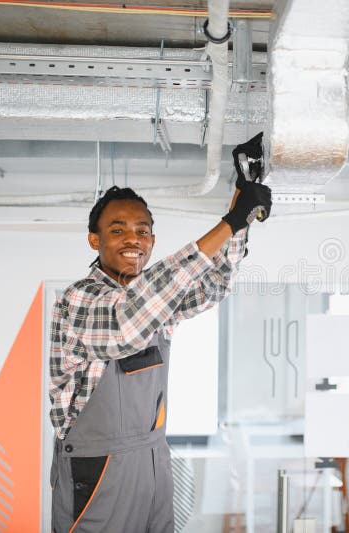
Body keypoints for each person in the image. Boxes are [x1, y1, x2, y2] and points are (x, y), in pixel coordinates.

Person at [49, 157, 271, 532]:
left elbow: (214, 282)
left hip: (152, 462)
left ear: (152, 240)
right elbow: (127, 326)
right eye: (117, 230)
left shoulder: (157, 300)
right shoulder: (79, 300)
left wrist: (243, 198)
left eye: (142, 230)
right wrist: (230, 223)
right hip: (98, 472)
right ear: (95, 240)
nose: (133, 239)